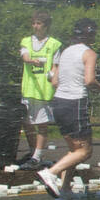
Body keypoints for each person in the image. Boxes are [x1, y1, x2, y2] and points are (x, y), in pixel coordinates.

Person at [37, 19, 100, 200]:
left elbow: (54, 81)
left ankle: (65, 189)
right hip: (75, 103)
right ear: (91, 34)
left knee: (74, 151)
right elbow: (89, 81)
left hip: (59, 102)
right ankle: (50, 173)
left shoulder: (65, 52)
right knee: (85, 151)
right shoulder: (89, 53)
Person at [19, 10, 61, 170]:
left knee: (42, 124)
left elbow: (55, 66)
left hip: (44, 91)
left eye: (39, 24)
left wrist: (54, 78)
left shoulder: (54, 44)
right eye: (34, 23)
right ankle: (33, 152)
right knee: (27, 122)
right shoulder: (26, 41)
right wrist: (31, 60)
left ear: (46, 26)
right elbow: (25, 56)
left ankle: (37, 157)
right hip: (29, 89)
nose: (35, 27)